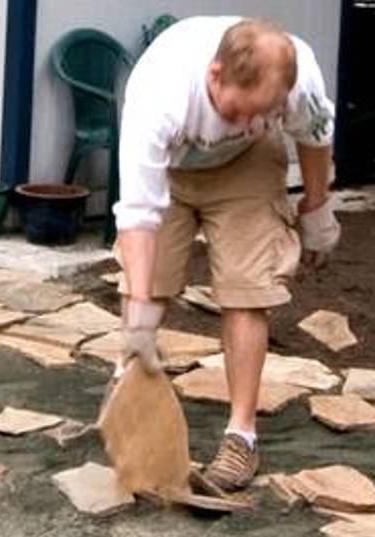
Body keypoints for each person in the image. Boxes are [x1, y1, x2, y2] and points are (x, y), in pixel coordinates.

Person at [112, 17, 339, 491]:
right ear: (215, 74)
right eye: (239, 113)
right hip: (172, 169)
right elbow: (137, 216)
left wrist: (317, 209)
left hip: (247, 168)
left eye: (263, 112)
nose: (249, 122)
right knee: (148, 289)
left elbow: (314, 139)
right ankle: (131, 407)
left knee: (247, 290)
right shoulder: (159, 93)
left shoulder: (301, 83)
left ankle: (241, 437)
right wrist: (136, 322)